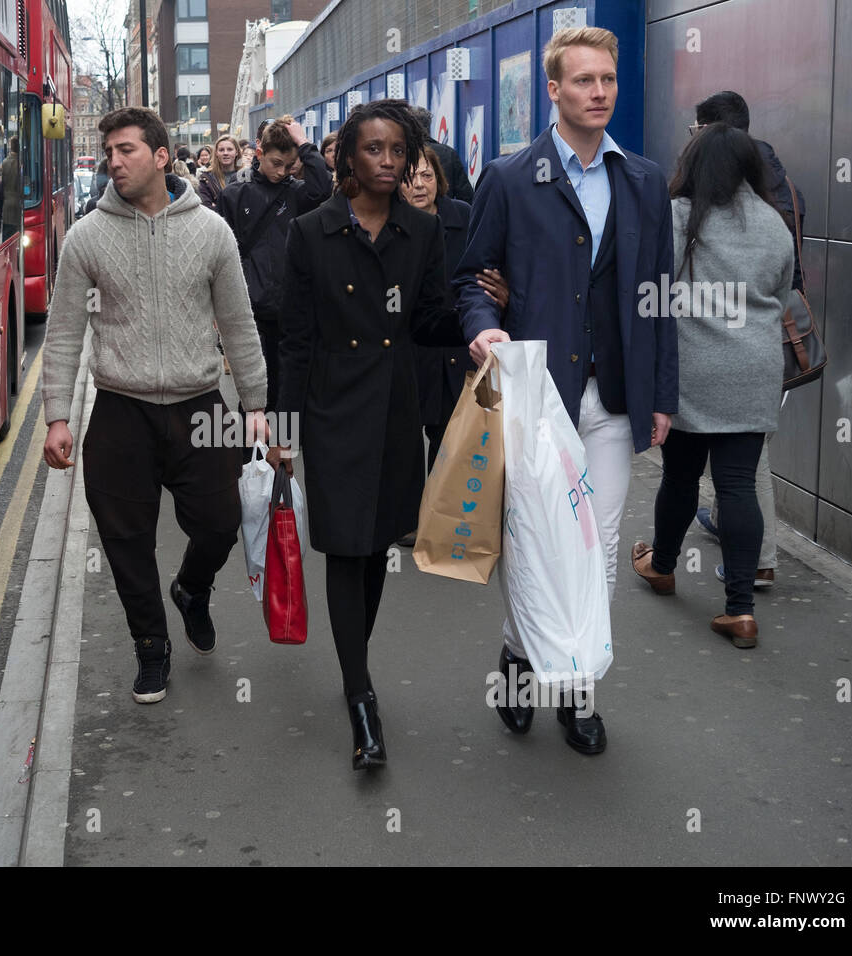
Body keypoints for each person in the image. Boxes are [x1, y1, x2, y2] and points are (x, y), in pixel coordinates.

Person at [456, 26, 677, 755]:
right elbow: (470, 277)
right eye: (584, 80)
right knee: (531, 539)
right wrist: (485, 325)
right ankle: (521, 660)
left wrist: (662, 394)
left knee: (596, 544)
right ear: (552, 90)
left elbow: (659, 296)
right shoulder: (512, 177)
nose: (600, 92)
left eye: (608, 79)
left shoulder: (644, 180)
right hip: (535, 397)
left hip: (613, 397)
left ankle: (579, 685)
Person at [41, 106, 268, 706]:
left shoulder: (212, 232)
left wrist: (256, 404)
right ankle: (151, 649)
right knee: (125, 541)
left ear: (162, 156)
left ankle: (192, 589)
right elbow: (64, 332)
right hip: (120, 412)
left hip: (200, 407)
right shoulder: (86, 238)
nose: (113, 161)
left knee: (221, 522)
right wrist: (58, 416)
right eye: (108, 151)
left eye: (126, 150)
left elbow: (239, 325)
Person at [271, 99, 470, 771]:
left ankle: (356, 669)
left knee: (377, 541)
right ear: (346, 157)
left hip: (393, 411)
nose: (388, 162)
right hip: (331, 412)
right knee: (346, 550)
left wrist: (483, 318)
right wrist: (283, 429)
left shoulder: (423, 230)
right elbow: (293, 343)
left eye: (398, 152)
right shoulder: (310, 232)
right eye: (374, 150)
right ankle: (361, 696)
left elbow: (430, 319)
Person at [630, 123, 793, 648]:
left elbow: (648, 288)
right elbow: (782, 290)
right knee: (738, 485)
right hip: (754, 373)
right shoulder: (774, 224)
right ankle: (741, 610)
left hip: (692, 373)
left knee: (679, 478)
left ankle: (664, 565)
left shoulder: (677, 218)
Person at [689, 90, 803, 588]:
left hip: (743, 341)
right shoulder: (781, 184)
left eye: (696, 130)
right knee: (746, 458)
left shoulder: (734, 191)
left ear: (714, 132)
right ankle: (734, 531)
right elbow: (784, 276)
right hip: (772, 333)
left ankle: (758, 561)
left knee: (746, 465)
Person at [397, 147, 507, 536]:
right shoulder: (395, 224)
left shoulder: (463, 214)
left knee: (450, 431)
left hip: (460, 336)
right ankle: (409, 513)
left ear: (438, 178)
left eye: (426, 176)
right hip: (416, 341)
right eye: (410, 179)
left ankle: (439, 510)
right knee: (410, 430)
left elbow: (485, 265)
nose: (419, 185)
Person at [218, 116, 332, 414]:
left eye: (289, 165)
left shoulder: (296, 191)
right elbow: (221, 256)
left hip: (290, 306)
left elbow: (322, 188)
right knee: (254, 388)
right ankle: (249, 455)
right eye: (276, 163)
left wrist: (304, 143)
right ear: (259, 154)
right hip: (250, 307)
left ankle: (280, 452)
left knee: (288, 389)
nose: (282, 172)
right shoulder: (234, 194)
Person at [410, 105, 472, 203]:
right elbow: (466, 196)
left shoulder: (402, 154)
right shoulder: (448, 153)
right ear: (428, 127)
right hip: (445, 215)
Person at [196, 133, 241, 212]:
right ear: (216, 153)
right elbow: (206, 209)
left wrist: (218, 206)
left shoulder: (246, 176)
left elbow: (249, 208)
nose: (225, 153)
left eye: (230, 149)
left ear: (236, 152)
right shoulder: (206, 178)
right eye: (221, 150)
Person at [0, 136, 21, 238]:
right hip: (18, 205)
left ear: (10, 147)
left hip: (7, 205)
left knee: (7, 238)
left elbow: (1, 185)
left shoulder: (4, 163)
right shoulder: (21, 163)